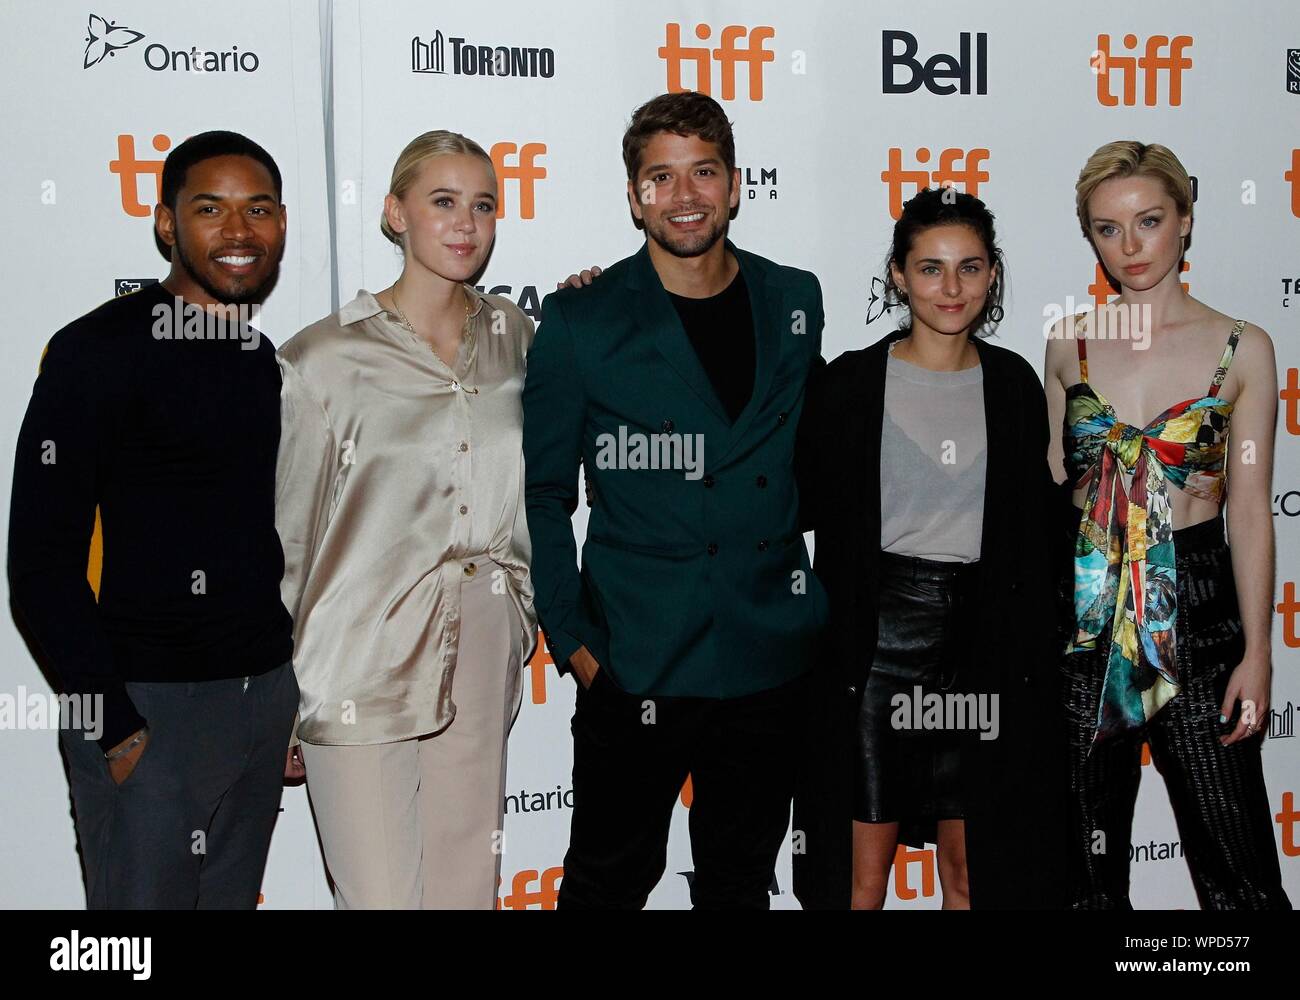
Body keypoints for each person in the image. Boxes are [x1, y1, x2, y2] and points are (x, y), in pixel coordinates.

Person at [523, 91, 827, 909]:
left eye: (703, 172)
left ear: (734, 185)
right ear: (633, 197)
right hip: (635, 656)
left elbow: (818, 457)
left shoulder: (796, 299)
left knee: (739, 885)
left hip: (767, 654)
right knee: (606, 884)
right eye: (661, 178)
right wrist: (574, 638)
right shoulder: (583, 319)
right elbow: (544, 493)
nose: (684, 195)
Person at [8, 131, 298, 908]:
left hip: (260, 700)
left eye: (259, 209)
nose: (240, 231)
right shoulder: (94, 352)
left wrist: (282, 700)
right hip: (147, 710)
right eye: (211, 209)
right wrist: (118, 729)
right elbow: (38, 563)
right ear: (167, 223)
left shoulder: (259, 358)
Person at [274, 130, 537, 909]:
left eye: (483, 205)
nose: (466, 224)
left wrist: (515, 607)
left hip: (484, 639)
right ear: (396, 214)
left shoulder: (518, 340)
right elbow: (289, 541)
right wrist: (280, 702)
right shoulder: (322, 359)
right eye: (443, 202)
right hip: (359, 650)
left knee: (465, 891)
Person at [793, 188, 1069, 909]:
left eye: (970, 268)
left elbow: (1040, 529)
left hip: (984, 648)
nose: (951, 288)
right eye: (930, 268)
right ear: (897, 274)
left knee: (972, 874)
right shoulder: (850, 383)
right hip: (876, 644)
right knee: (860, 879)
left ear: (994, 275)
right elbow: (794, 498)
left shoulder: (1014, 384)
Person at [1045, 140, 1291, 909]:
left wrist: (1258, 654)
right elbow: (1053, 487)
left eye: (1149, 221)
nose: (1131, 246)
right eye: (1107, 229)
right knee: (1082, 878)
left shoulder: (1242, 348)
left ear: (1186, 219)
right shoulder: (1067, 343)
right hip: (1085, 612)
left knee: (1240, 873)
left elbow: (1250, 507)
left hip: (1201, 613)